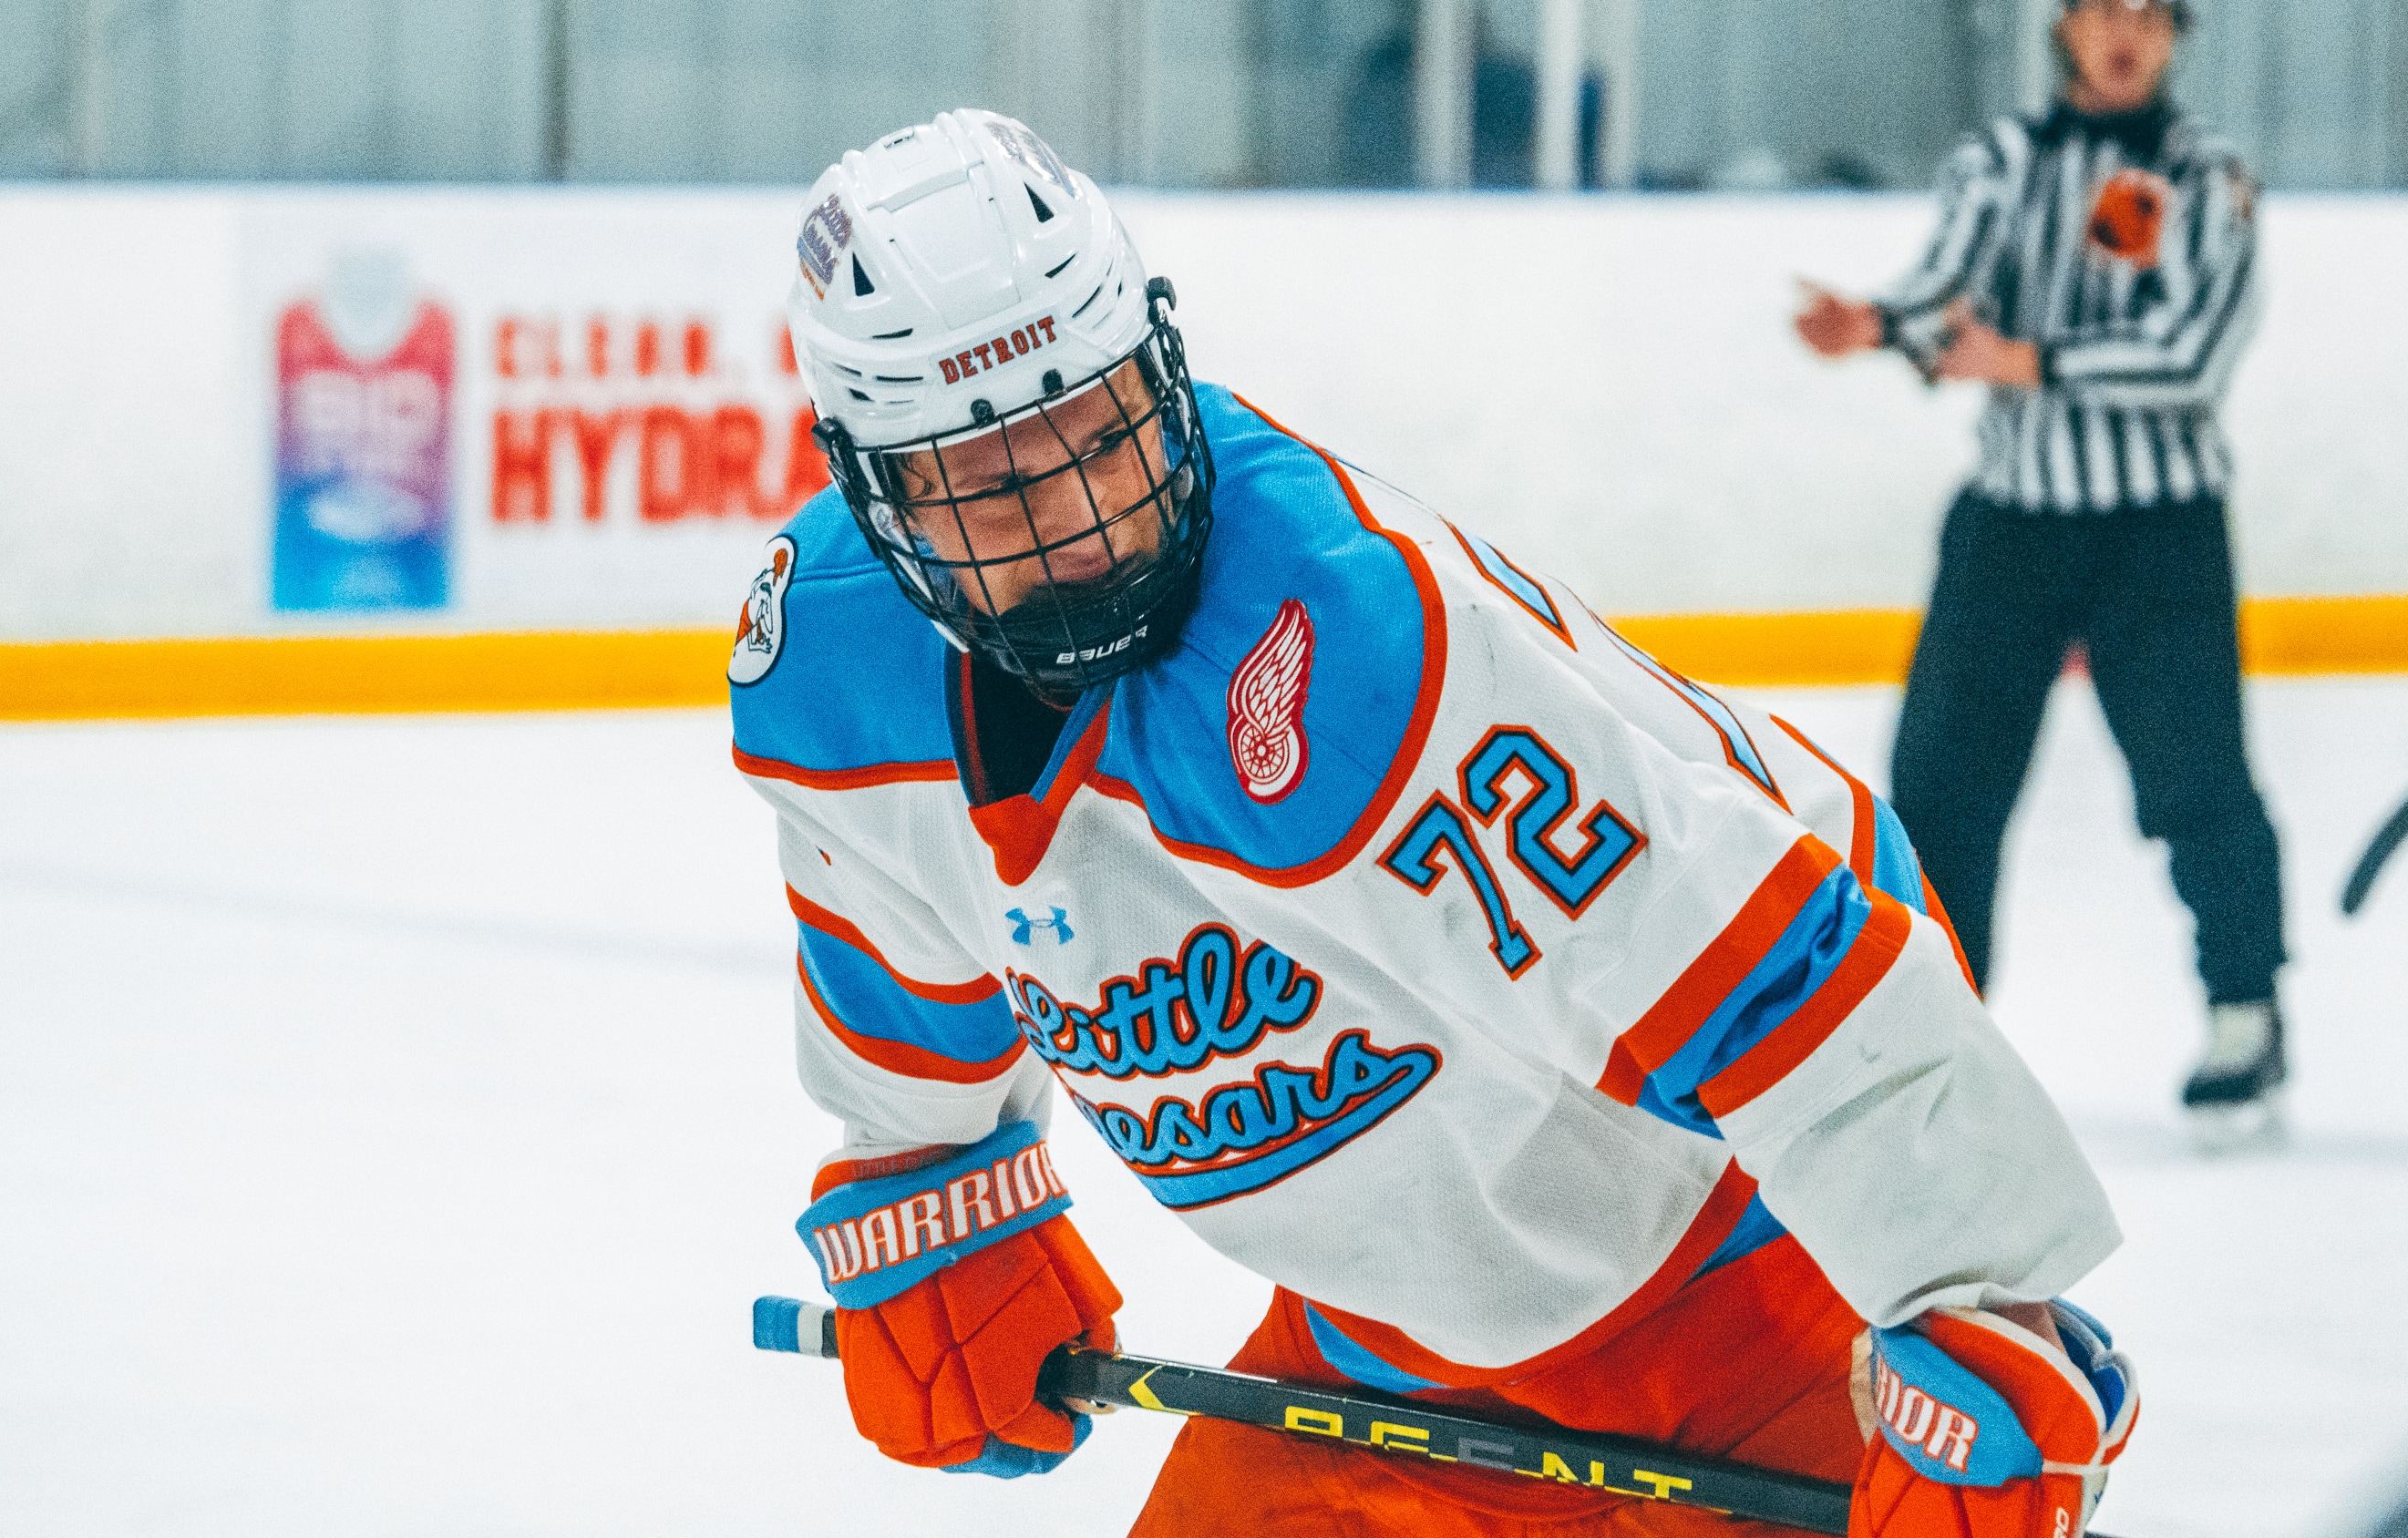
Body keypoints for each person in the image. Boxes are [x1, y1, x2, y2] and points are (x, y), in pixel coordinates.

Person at [738, 109, 2136, 1537]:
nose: (1088, 512)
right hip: (1383, 1366)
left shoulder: (1347, 651)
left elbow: (1748, 948)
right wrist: (930, 1179)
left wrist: (1977, 1299)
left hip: (1751, 1276)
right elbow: (893, 945)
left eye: (1102, 431)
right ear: (880, 486)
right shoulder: (838, 676)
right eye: (996, 479)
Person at [1792, 0, 2288, 1135]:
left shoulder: (2207, 178)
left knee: (2197, 779)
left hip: (2158, 531)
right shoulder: (2000, 161)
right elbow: (1946, 290)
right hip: (2010, 526)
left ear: (2174, 35)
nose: (2125, 33)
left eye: (2149, 15)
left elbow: (2192, 354)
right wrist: (1873, 324)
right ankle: (1937, 1035)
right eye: (2104, 10)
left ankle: (2245, 1009)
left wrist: (2027, 358)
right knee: (1942, 787)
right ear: (2065, 26)